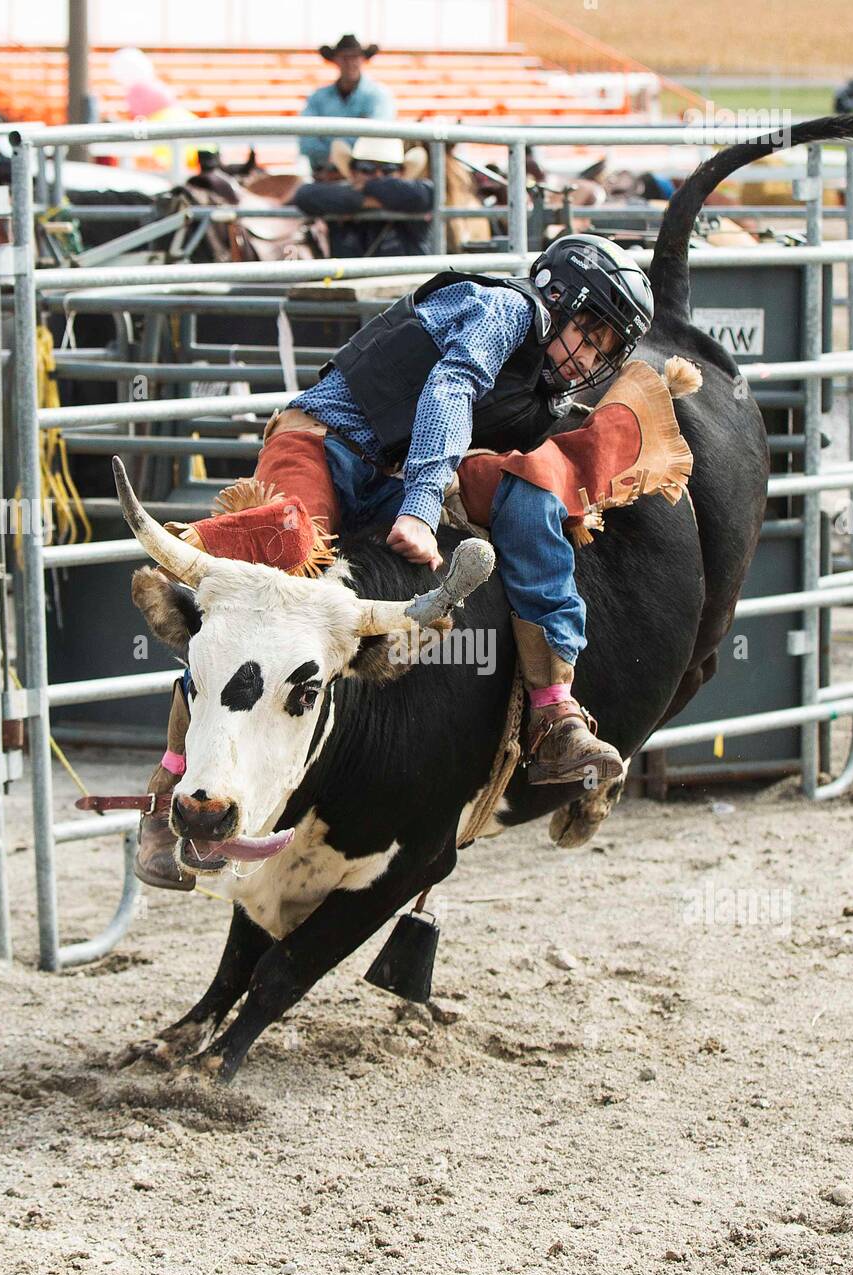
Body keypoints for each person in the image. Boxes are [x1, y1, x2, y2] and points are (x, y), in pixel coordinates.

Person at [136, 235, 658, 890]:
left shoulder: (545, 393)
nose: (591, 354)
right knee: (276, 566)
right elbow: (449, 388)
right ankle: (168, 787)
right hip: (327, 444)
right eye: (590, 329)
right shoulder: (501, 308)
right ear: (557, 298)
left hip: (398, 476)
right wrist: (417, 507)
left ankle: (557, 713)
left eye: (608, 347)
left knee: (537, 498)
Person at [293, 137, 432, 259]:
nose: (378, 176)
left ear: (401, 172)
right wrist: (370, 200)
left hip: (410, 284)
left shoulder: (419, 192)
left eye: (388, 169)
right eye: (367, 168)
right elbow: (304, 196)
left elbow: (423, 196)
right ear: (353, 171)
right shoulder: (337, 193)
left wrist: (365, 190)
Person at [299, 34, 395, 177]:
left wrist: (341, 157)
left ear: (362, 59)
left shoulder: (378, 95)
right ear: (336, 60)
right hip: (324, 174)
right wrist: (332, 158)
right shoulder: (318, 97)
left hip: (366, 175)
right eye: (345, 57)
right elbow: (306, 140)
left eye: (354, 57)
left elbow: (379, 136)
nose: (350, 63)